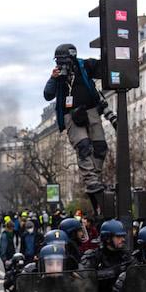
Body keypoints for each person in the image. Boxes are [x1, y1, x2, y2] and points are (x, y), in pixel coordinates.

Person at [44, 44, 110, 214]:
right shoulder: (58, 77)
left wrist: (129, 64)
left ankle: (95, 177)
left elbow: (105, 68)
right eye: (58, 62)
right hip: (70, 115)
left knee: (101, 147)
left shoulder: (85, 66)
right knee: (83, 146)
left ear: (72, 58)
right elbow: (48, 95)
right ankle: (91, 181)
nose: (62, 65)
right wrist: (53, 78)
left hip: (91, 110)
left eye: (64, 62)